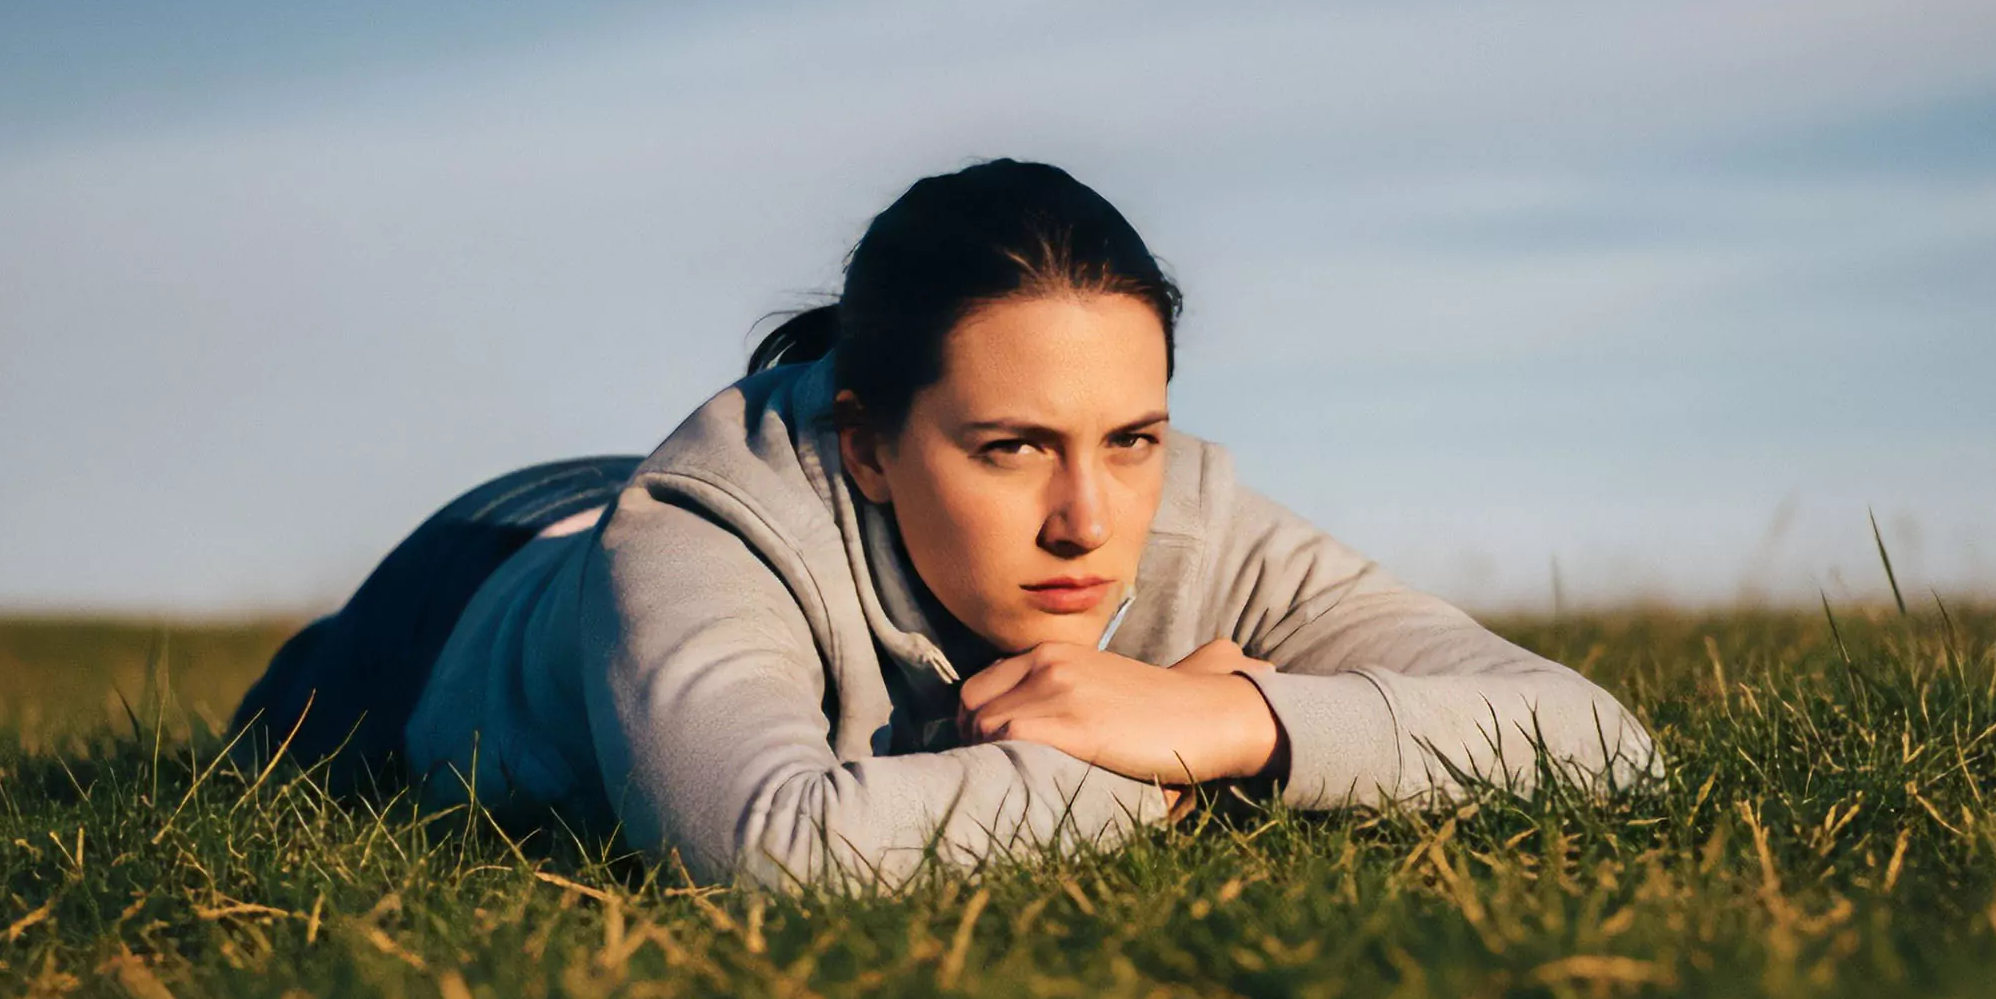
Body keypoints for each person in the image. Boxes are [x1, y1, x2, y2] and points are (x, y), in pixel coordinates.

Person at [234, 159, 1656, 887]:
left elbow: (1596, 741)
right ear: (866, 440)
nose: (1083, 520)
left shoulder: (1187, 520)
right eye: (1009, 448)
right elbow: (772, 856)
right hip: (470, 596)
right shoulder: (701, 531)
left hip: (666, 536)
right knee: (266, 748)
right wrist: (1152, 779)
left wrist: (1239, 726)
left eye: (1131, 439)